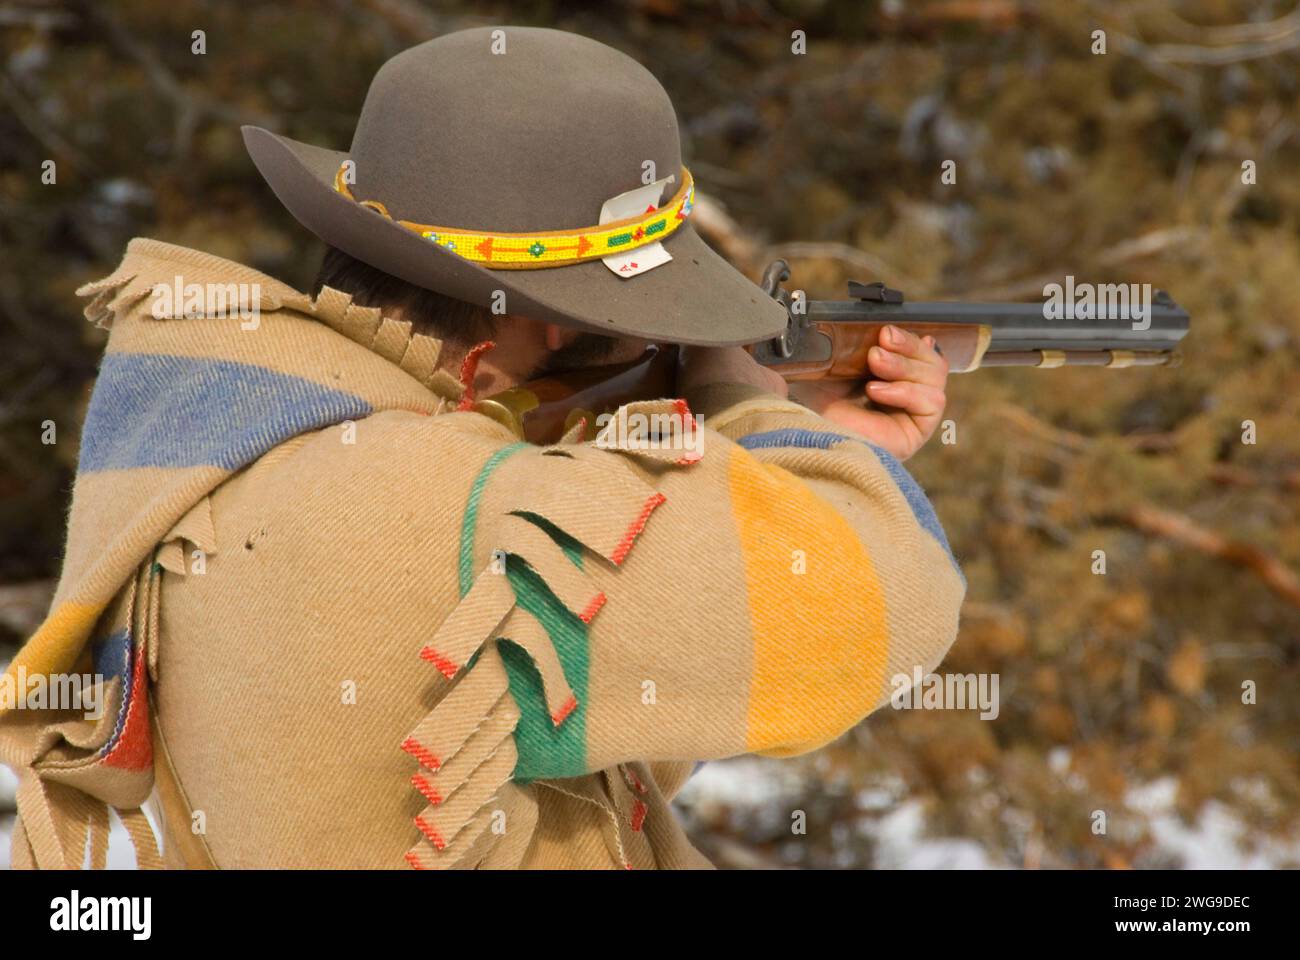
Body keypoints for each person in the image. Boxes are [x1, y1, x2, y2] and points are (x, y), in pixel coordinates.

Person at [0, 26, 963, 869]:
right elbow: (890, 611)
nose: (659, 354)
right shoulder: (449, 512)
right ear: (539, 331)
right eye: (646, 332)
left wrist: (815, 467)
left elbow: (595, 726)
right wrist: (752, 411)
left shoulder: (216, 443)